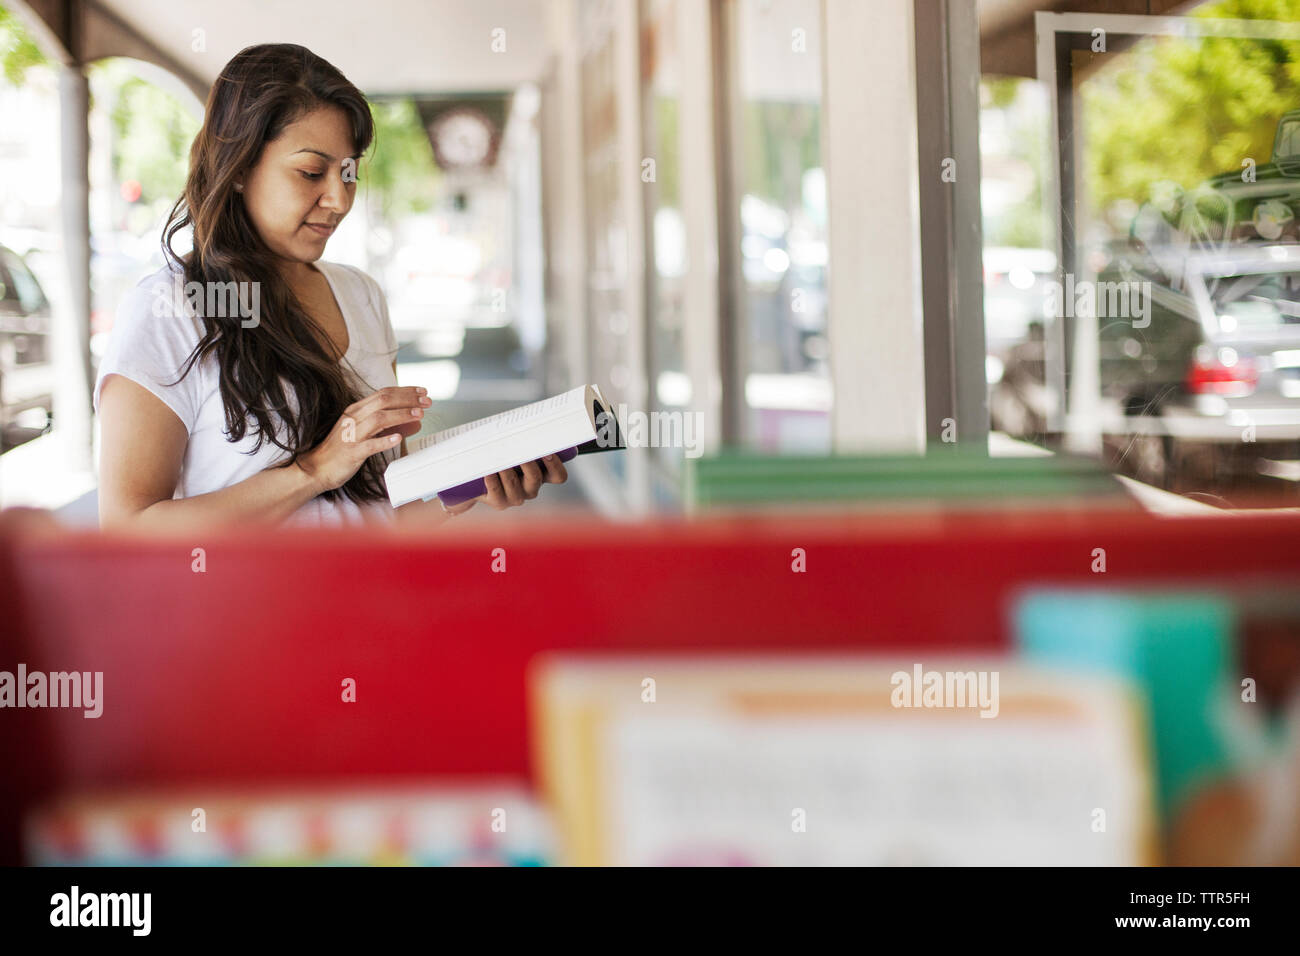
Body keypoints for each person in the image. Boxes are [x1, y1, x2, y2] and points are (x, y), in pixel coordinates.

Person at [94, 43, 565, 532]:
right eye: (311, 172)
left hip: (371, 604)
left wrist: (465, 489)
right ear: (237, 170)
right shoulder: (171, 307)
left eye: (348, 171)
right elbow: (128, 528)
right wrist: (313, 470)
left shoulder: (360, 295)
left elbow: (380, 513)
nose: (339, 199)